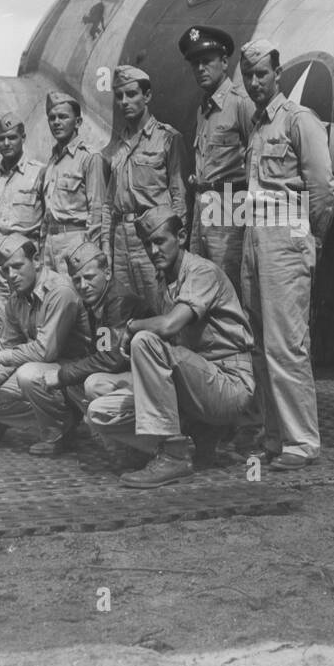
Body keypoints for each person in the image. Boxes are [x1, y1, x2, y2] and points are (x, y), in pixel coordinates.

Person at [88, 207, 258, 488]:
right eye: (147, 244)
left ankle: (173, 455)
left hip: (228, 385)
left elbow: (167, 326)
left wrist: (131, 327)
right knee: (99, 403)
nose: (153, 250)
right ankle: (189, 444)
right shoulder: (164, 279)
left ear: (180, 237)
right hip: (196, 383)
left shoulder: (201, 271)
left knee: (145, 339)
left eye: (160, 241)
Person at [239, 39, 334, 470]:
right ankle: (274, 437)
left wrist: (311, 240)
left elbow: (323, 188)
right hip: (254, 237)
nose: (255, 82)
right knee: (259, 344)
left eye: (262, 74)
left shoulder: (299, 120)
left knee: (286, 345)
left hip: (285, 237)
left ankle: (301, 442)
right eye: (248, 75)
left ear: (277, 74)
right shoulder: (257, 126)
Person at [0, 233, 91, 451]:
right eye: (5, 270)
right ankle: (12, 421)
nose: (11, 275)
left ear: (36, 260)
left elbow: (45, 351)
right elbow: (6, 345)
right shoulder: (16, 299)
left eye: (17, 266)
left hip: (79, 373)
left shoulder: (60, 291)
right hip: (50, 370)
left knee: (28, 374)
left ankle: (61, 431)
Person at [21, 241, 154, 463]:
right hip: (126, 374)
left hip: (148, 379)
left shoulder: (118, 300)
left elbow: (111, 359)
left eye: (89, 277)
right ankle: (108, 440)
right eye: (76, 280)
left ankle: (141, 446)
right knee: (79, 378)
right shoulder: (98, 300)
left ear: (108, 273)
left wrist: (62, 375)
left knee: (90, 382)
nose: (83, 285)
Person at [103, 65, 187, 312]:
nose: (124, 102)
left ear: (147, 96)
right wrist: (105, 246)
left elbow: (179, 197)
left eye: (131, 94)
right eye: (119, 97)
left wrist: (174, 250)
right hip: (120, 242)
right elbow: (109, 203)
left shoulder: (168, 138)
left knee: (162, 308)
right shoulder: (116, 145)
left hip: (153, 240)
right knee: (123, 312)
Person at [180, 25, 255, 291]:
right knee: (202, 285)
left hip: (230, 209)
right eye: (195, 64)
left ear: (224, 62)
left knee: (228, 287)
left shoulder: (240, 103)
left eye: (206, 61)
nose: (200, 68)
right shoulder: (205, 109)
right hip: (204, 209)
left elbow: (256, 161)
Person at [39, 91, 106, 274]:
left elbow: (97, 210)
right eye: (52, 118)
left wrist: (90, 252)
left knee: (74, 298)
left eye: (63, 117)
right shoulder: (52, 162)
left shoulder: (90, 157)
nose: (56, 122)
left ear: (77, 122)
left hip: (76, 241)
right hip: (50, 244)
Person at [0, 110, 44, 313]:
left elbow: (48, 218)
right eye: (1, 139)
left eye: (12, 137)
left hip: (26, 252)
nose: (7, 143)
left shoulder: (39, 172)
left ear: (23, 138)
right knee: (1, 311)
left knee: (31, 308)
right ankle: (4, 346)